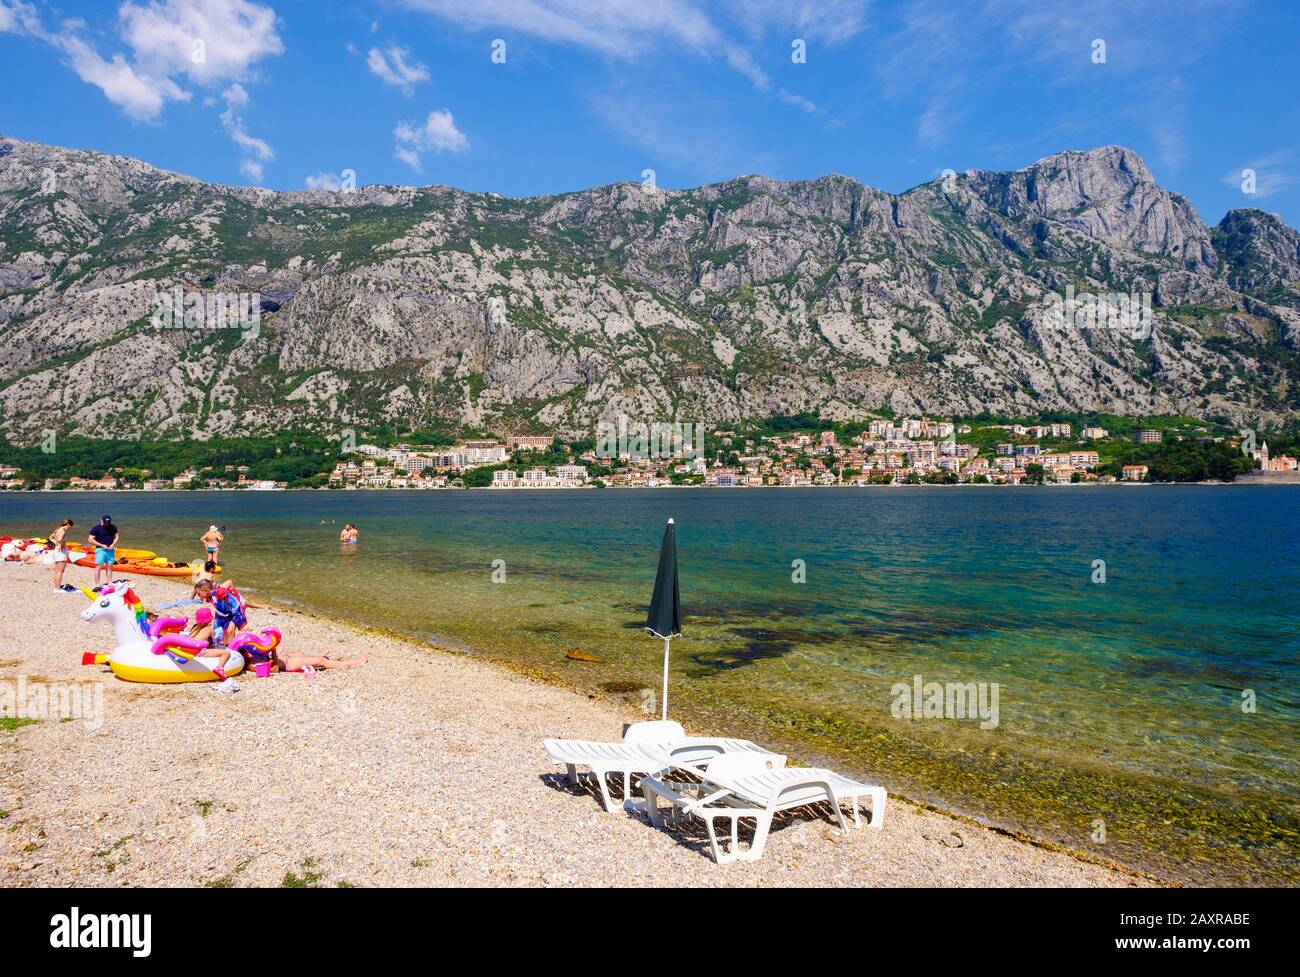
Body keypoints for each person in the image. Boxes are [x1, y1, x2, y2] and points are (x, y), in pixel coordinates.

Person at [187, 607, 237, 691]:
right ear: (210, 620)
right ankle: (219, 668)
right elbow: (214, 642)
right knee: (226, 653)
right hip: (199, 651)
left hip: (189, 649)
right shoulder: (209, 630)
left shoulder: (194, 628)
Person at [87, 515, 119, 590]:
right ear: (101, 520)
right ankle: (97, 584)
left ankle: (110, 582)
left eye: (108, 522)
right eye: (105, 522)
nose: (107, 524)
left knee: (110, 566)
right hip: (100, 549)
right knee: (99, 566)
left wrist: (113, 544)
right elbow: (90, 540)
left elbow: (117, 536)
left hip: (110, 549)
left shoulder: (112, 527)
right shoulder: (96, 528)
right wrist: (101, 545)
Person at [45, 519, 74, 592]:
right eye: (70, 527)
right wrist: (62, 544)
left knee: (57, 571)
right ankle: (58, 589)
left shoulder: (57, 529)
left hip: (56, 550)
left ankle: (56, 587)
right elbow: (60, 539)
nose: (69, 528)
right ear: (68, 525)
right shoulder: (63, 530)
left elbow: (50, 538)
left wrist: (56, 543)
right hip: (61, 551)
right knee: (60, 571)